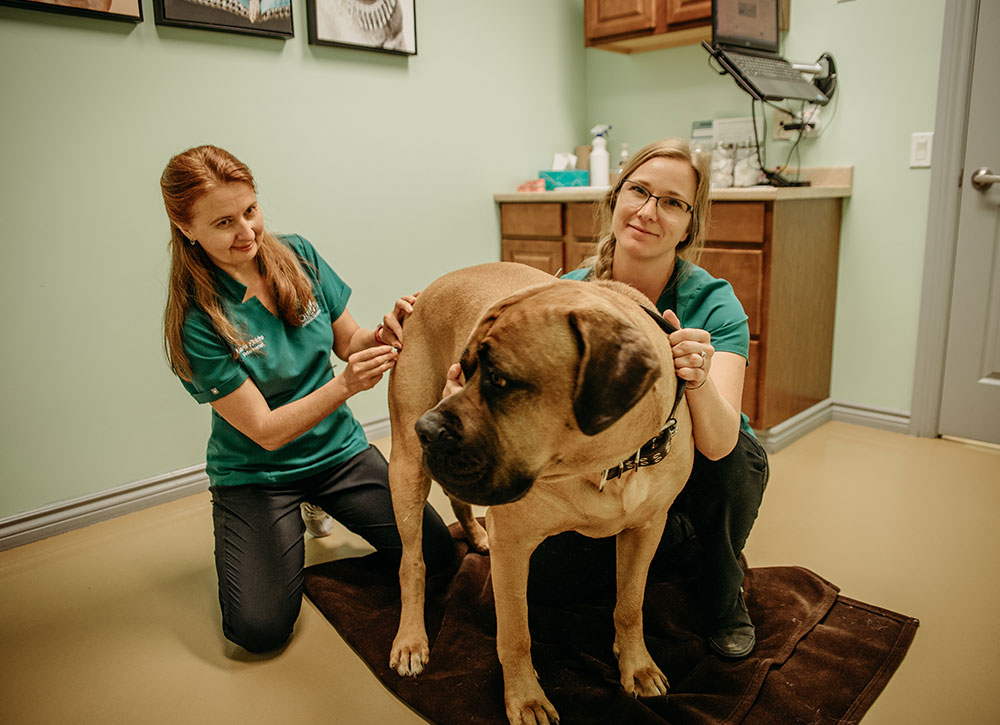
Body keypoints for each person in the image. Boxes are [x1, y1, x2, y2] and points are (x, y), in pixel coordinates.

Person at [443, 137, 767, 659]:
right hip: (597, 473)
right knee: (547, 587)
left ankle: (722, 590)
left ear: (689, 226)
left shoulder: (712, 302)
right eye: (638, 191)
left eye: (672, 202)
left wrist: (697, 377)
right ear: (615, 198)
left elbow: (719, 442)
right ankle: (669, 540)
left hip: (701, 464)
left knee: (738, 466)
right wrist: (429, 323)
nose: (648, 211)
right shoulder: (567, 293)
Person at [160, 144, 454, 654]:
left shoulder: (297, 254)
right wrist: (346, 385)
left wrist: (387, 332)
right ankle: (281, 520)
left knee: (440, 556)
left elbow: (349, 341)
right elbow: (265, 432)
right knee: (259, 630)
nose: (247, 231)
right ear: (186, 228)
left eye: (250, 210)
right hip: (258, 474)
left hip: (339, 454)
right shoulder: (195, 319)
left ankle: (321, 501)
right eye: (224, 222)